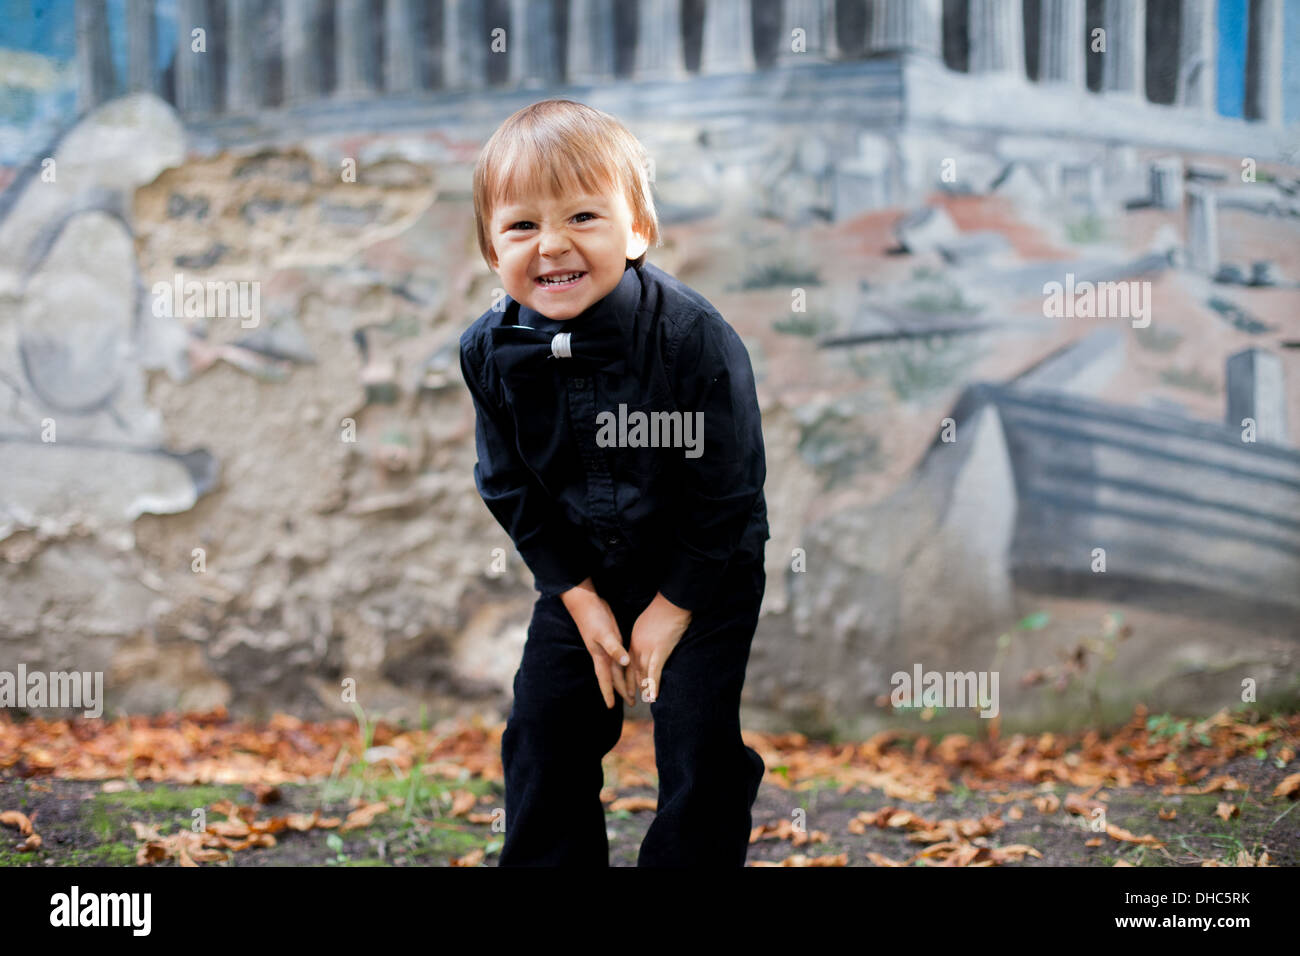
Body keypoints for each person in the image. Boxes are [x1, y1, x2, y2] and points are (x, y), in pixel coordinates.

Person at [458, 98, 770, 866]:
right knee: (544, 731)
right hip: (583, 569)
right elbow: (508, 487)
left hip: (704, 567)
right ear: (491, 249)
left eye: (583, 217)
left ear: (637, 231)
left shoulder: (693, 340)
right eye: (522, 225)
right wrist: (578, 596)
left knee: (696, 741)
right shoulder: (487, 351)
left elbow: (725, 491)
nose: (552, 244)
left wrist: (671, 609)